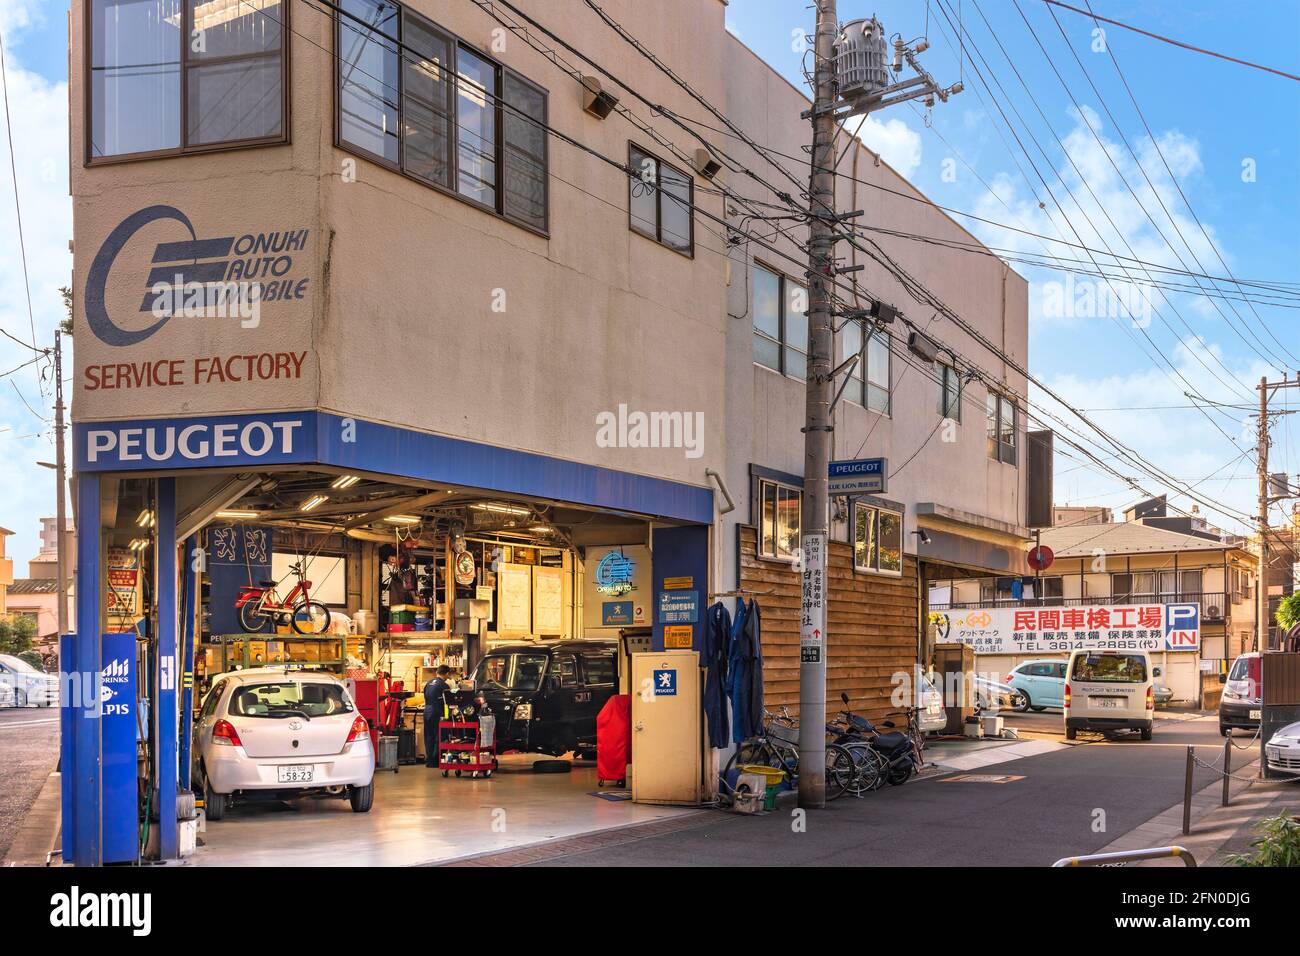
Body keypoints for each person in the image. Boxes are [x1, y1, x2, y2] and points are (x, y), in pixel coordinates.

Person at [422, 665, 452, 769]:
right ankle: (436, 761)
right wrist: (447, 715)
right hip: (437, 712)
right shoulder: (444, 686)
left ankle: (429, 760)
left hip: (427, 711)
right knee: (438, 736)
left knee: (428, 736)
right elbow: (448, 702)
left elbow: (425, 696)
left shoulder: (428, 683)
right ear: (447, 673)